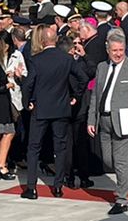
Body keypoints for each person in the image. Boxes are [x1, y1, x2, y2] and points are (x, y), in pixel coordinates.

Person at [21, 23, 83, 200]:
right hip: (61, 107)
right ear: (55, 40)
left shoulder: (36, 60)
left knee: (34, 148)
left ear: (41, 40)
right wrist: (75, 96)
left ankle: (31, 188)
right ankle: (58, 186)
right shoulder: (66, 59)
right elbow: (82, 77)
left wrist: (28, 102)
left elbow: (29, 83)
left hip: (41, 108)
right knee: (60, 147)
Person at [89, 29, 128, 214]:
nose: (117, 54)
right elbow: (96, 96)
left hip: (124, 122)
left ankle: (122, 200)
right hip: (104, 120)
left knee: (121, 162)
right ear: (108, 49)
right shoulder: (102, 67)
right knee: (109, 160)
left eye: (121, 50)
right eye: (114, 50)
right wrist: (92, 119)